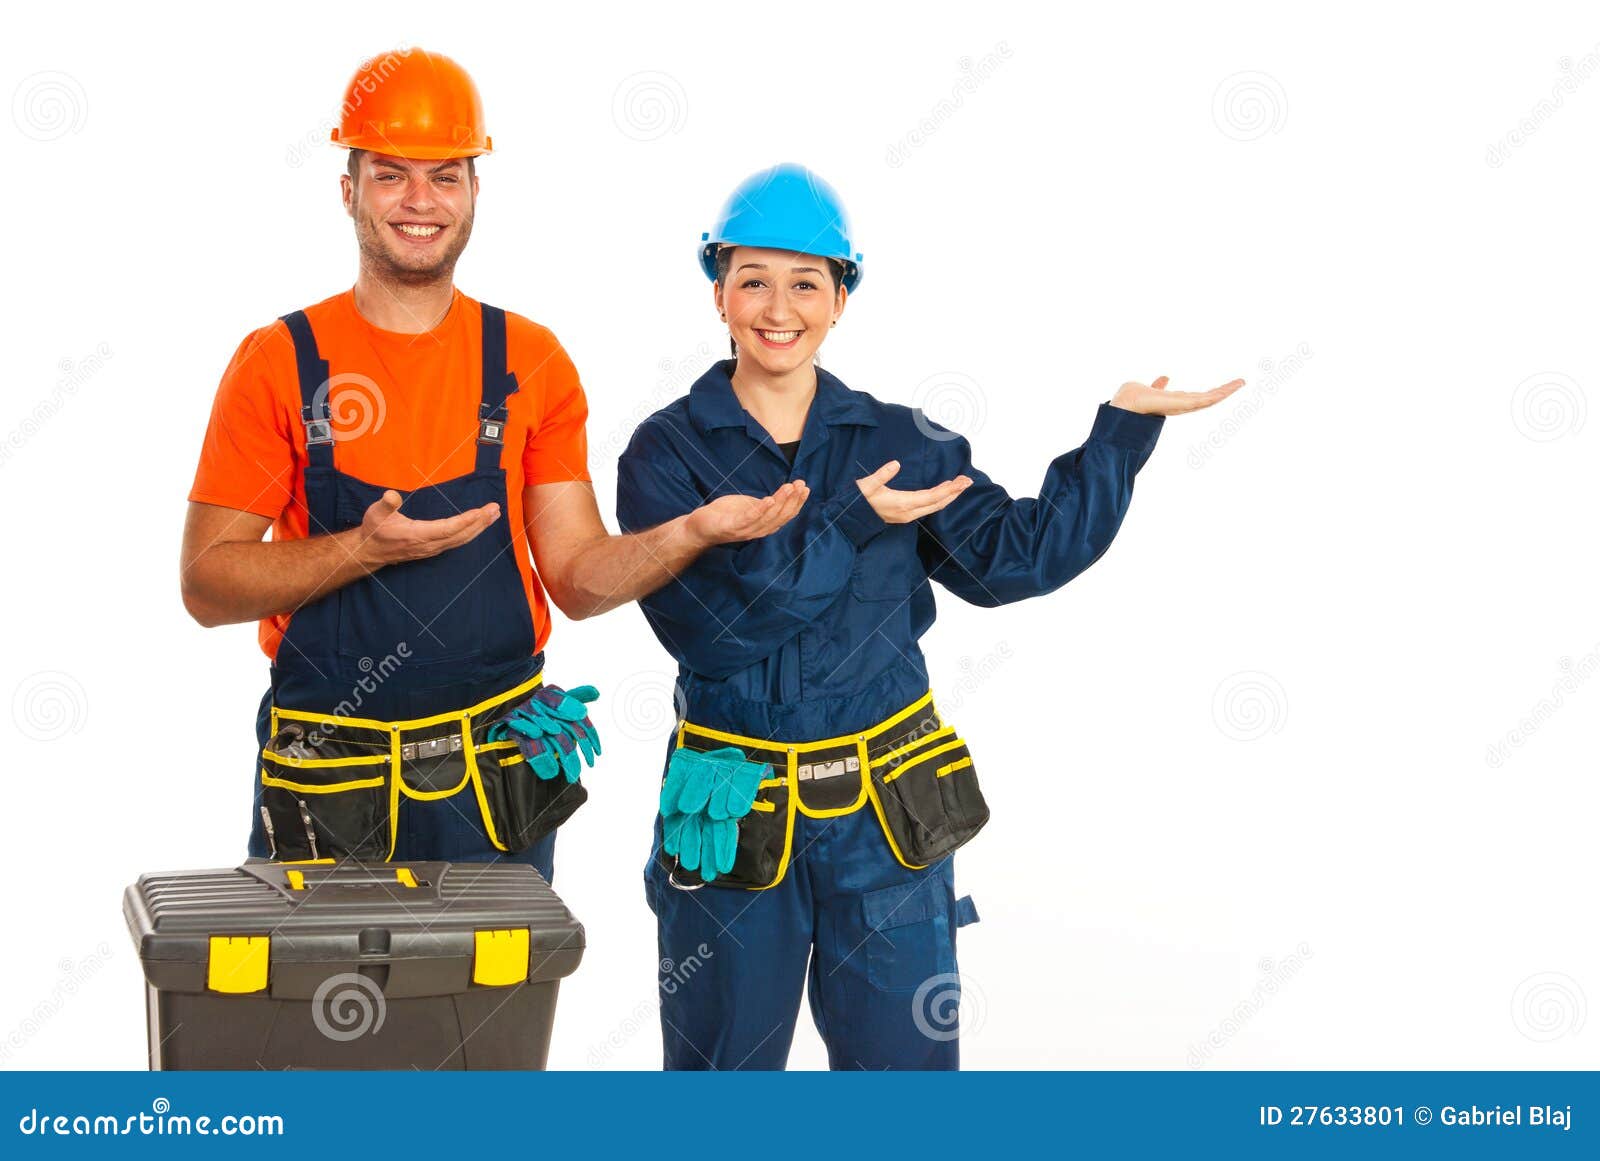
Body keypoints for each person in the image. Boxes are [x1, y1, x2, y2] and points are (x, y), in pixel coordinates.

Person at [616, 162, 1242, 1069]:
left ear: (841, 299)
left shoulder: (903, 441)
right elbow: (711, 633)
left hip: (885, 819)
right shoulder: (665, 452)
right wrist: (851, 520)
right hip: (729, 818)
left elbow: (1016, 560)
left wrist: (1118, 433)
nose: (778, 305)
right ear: (718, 293)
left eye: (806, 282)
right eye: (753, 280)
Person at [180, 50, 811, 879]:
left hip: (490, 784)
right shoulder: (279, 361)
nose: (420, 201)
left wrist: (690, 530)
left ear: (475, 191)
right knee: (318, 1007)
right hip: (328, 779)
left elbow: (578, 581)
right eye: (389, 175)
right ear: (347, 189)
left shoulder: (528, 360)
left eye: (445, 175)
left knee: (485, 1010)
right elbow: (207, 587)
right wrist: (359, 551)